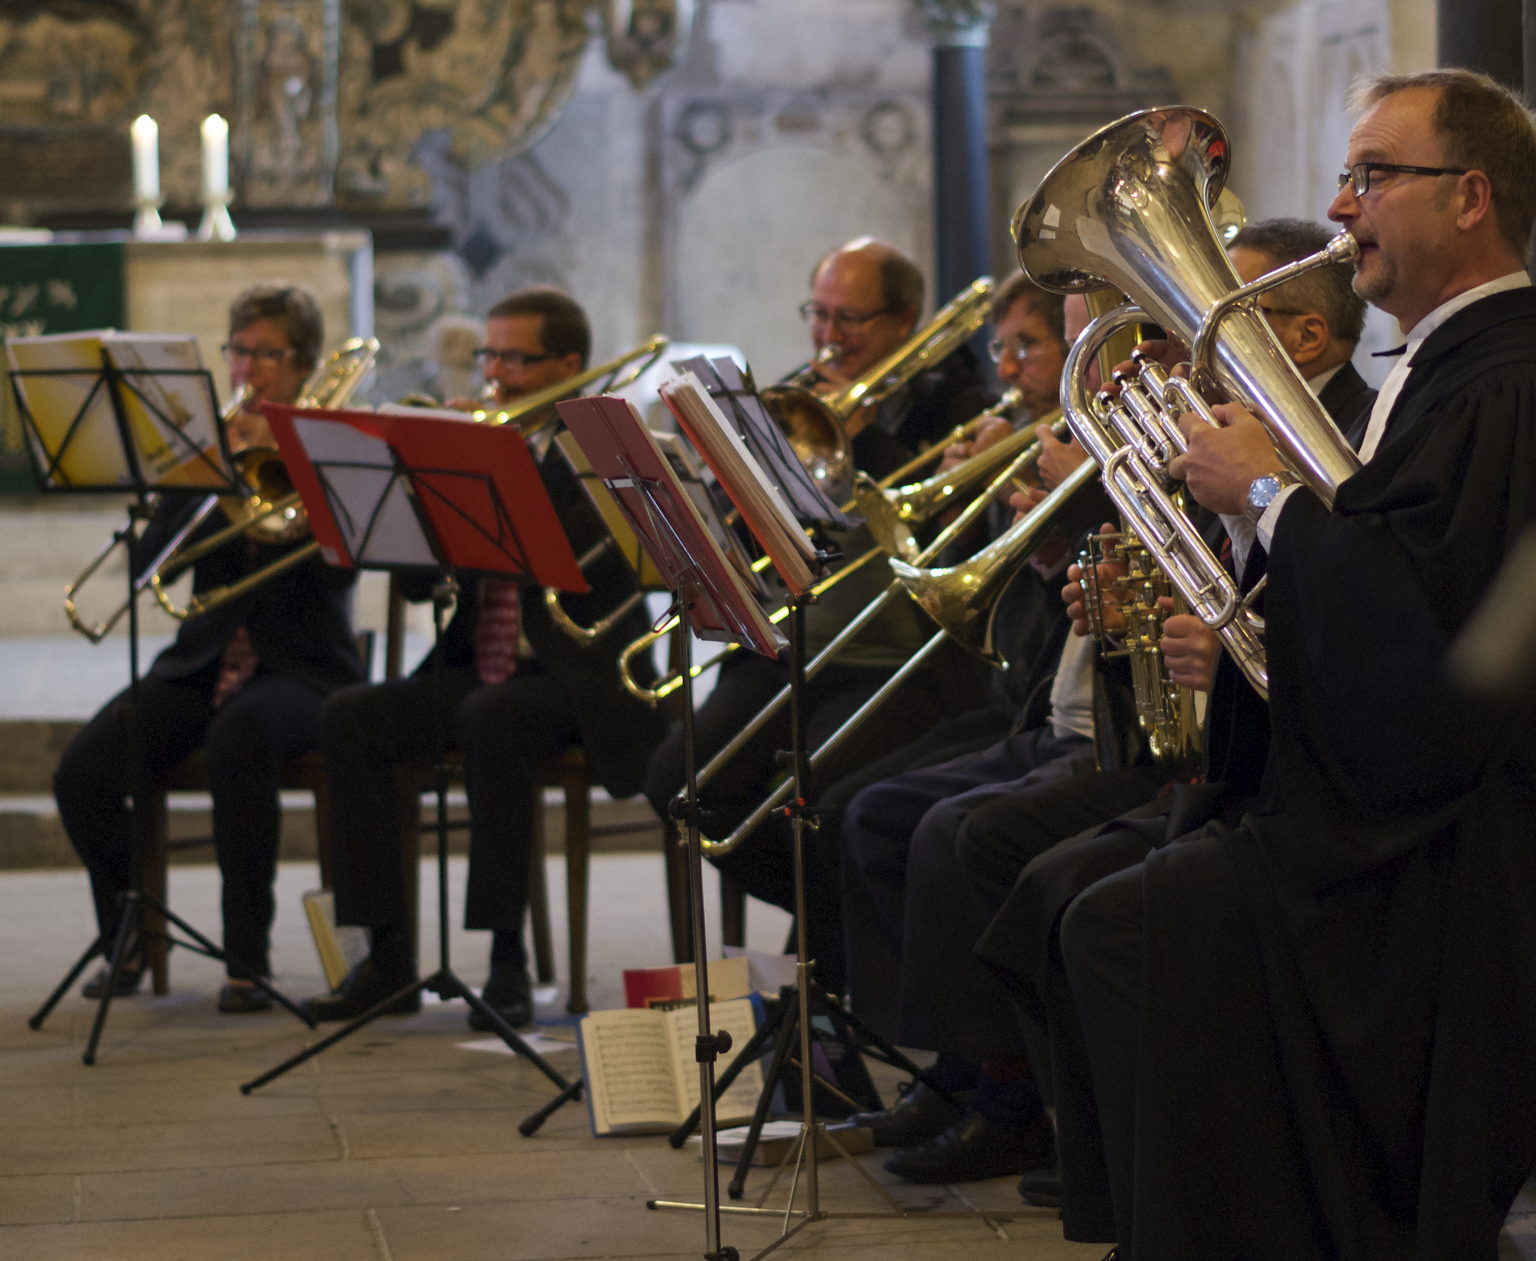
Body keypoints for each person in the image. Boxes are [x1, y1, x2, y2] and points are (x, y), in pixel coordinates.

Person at [1035, 70, 1536, 1259]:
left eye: (1373, 174)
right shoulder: (1443, 367)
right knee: (1103, 912)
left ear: (1470, 198)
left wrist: (1266, 495)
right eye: (1347, 174)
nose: (1340, 203)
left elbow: (1434, 641)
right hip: (1384, 803)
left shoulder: (1507, 379)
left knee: (1125, 927)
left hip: (1443, 847)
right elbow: (1385, 571)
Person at [847, 217, 1378, 1189]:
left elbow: (1349, 604)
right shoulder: (1227, 428)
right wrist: (1106, 596)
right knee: (900, 818)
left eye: (1220, 320)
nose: (1192, 348)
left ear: (1306, 336)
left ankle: (1046, 1119)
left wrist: (1217, 645)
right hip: (1163, 737)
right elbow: (1206, 588)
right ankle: (1010, 1099)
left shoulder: (1329, 438)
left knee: (1028, 872)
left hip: (1247, 767)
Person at [306, 286, 667, 1030]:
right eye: (488, 356)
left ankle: (507, 961)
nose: (495, 374)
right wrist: (425, 492)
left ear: (569, 363)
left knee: (492, 717)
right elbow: (419, 587)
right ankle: (386, 956)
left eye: (515, 358)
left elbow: (591, 566)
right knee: (351, 716)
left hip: (577, 675)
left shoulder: (601, 449)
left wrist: (511, 467)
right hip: (479, 662)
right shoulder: (474, 443)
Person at [641, 238, 995, 987]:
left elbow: (949, 535)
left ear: (905, 320)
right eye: (819, 314)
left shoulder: (959, 407)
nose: (829, 335)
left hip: (900, 665)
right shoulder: (794, 402)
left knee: (816, 808)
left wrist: (868, 442)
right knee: (681, 782)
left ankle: (828, 977)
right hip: (790, 648)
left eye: (850, 319)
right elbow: (741, 531)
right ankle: (834, 943)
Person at [55, 284, 364, 1014]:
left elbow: (341, 569)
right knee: (83, 770)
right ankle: (130, 931)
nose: (247, 369)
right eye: (239, 351)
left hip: (303, 670)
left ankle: (245, 957)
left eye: (268, 354)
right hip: (202, 661)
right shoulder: (208, 445)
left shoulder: (329, 448)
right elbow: (150, 569)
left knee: (240, 737)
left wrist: (289, 468)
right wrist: (202, 476)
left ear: (305, 365)